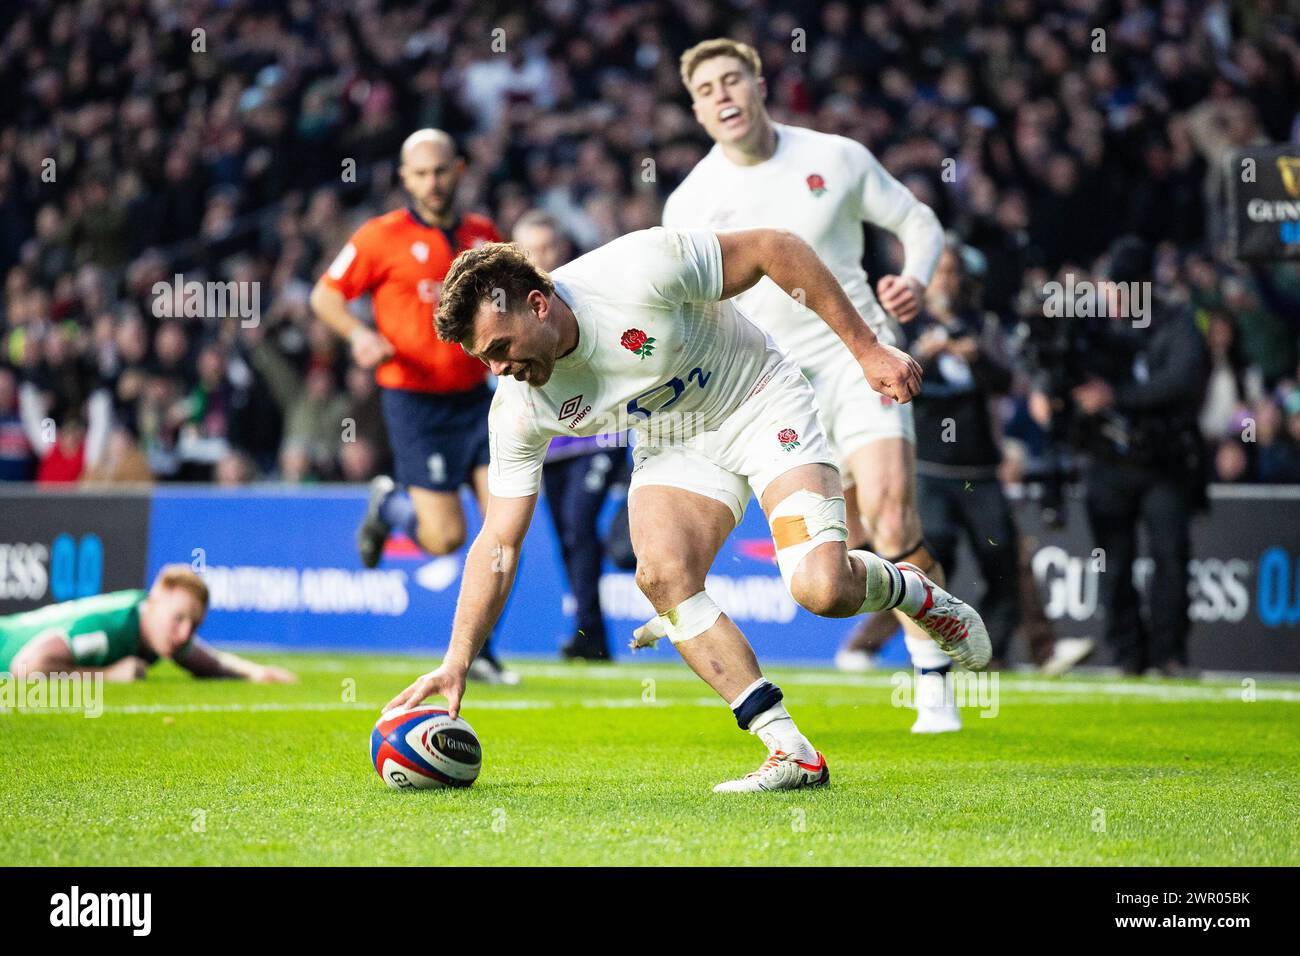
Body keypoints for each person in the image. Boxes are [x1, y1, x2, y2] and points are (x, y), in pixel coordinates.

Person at [384, 226, 991, 793]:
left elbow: (773, 248)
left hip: (757, 399)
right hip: (674, 439)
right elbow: (499, 540)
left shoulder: (635, 269)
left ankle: (919, 595)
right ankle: (791, 752)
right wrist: (456, 660)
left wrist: (866, 350)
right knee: (661, 576)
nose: (498, 370)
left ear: (538, 305)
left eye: (500, 347)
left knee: (823, 589)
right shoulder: (518, 405)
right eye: (482, 359)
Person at [662, 39, 960, 732]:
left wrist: (913, 278)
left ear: (760, 84)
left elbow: (917, 220)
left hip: (859, 361)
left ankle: (933, 678)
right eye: (706, 90)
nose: (723, 96)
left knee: (891, 515)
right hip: (769, 388)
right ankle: (929, 607)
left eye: (733, 80)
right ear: (698, 110)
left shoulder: (834, 156)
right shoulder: (689, 203)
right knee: (841, 556)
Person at [310, 128, 515, 684]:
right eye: (420, 173)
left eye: (441, 170)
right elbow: (325, 295)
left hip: (480, 399)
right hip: (415, 405)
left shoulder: (482, 236)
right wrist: (357, 336)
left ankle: (483, 651)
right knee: (446, 537)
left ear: (460, 169)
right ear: (404, 177)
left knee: (504, 528)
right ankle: (387, 510)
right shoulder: (379, 237)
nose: (432, 181)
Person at [1033, 236, 1208, 676]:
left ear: (1141, 286)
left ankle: (1168, 654)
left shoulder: (1176, 321)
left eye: (1119, 285)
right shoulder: (1091, 326)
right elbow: (1061, 370)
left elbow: (1182, 381)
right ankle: (1127, 656)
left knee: (1170, 557)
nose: (1110, 295)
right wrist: (1050, 390)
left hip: (1163, 461)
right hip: (1107, 460)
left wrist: (1118, 396)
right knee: (1113, 563)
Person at [512, 211, 628, 661]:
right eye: (531, 250)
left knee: (580, 524)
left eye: (549, 248)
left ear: (563, 249)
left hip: (601, 433)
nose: (542, 257)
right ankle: (590, 635)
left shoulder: (583, 292)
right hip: (553, 440)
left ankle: (591, 628)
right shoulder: (507, 311)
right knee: (568, 536)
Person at [0, 565, 296, 683]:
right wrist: (108, 675)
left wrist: (257, 673)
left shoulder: (160, 632)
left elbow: (212, 663)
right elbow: (25, 667)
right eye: (179, 618)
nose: (184, 634)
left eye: (193, 626)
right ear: (156, 598)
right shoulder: (112, 626)